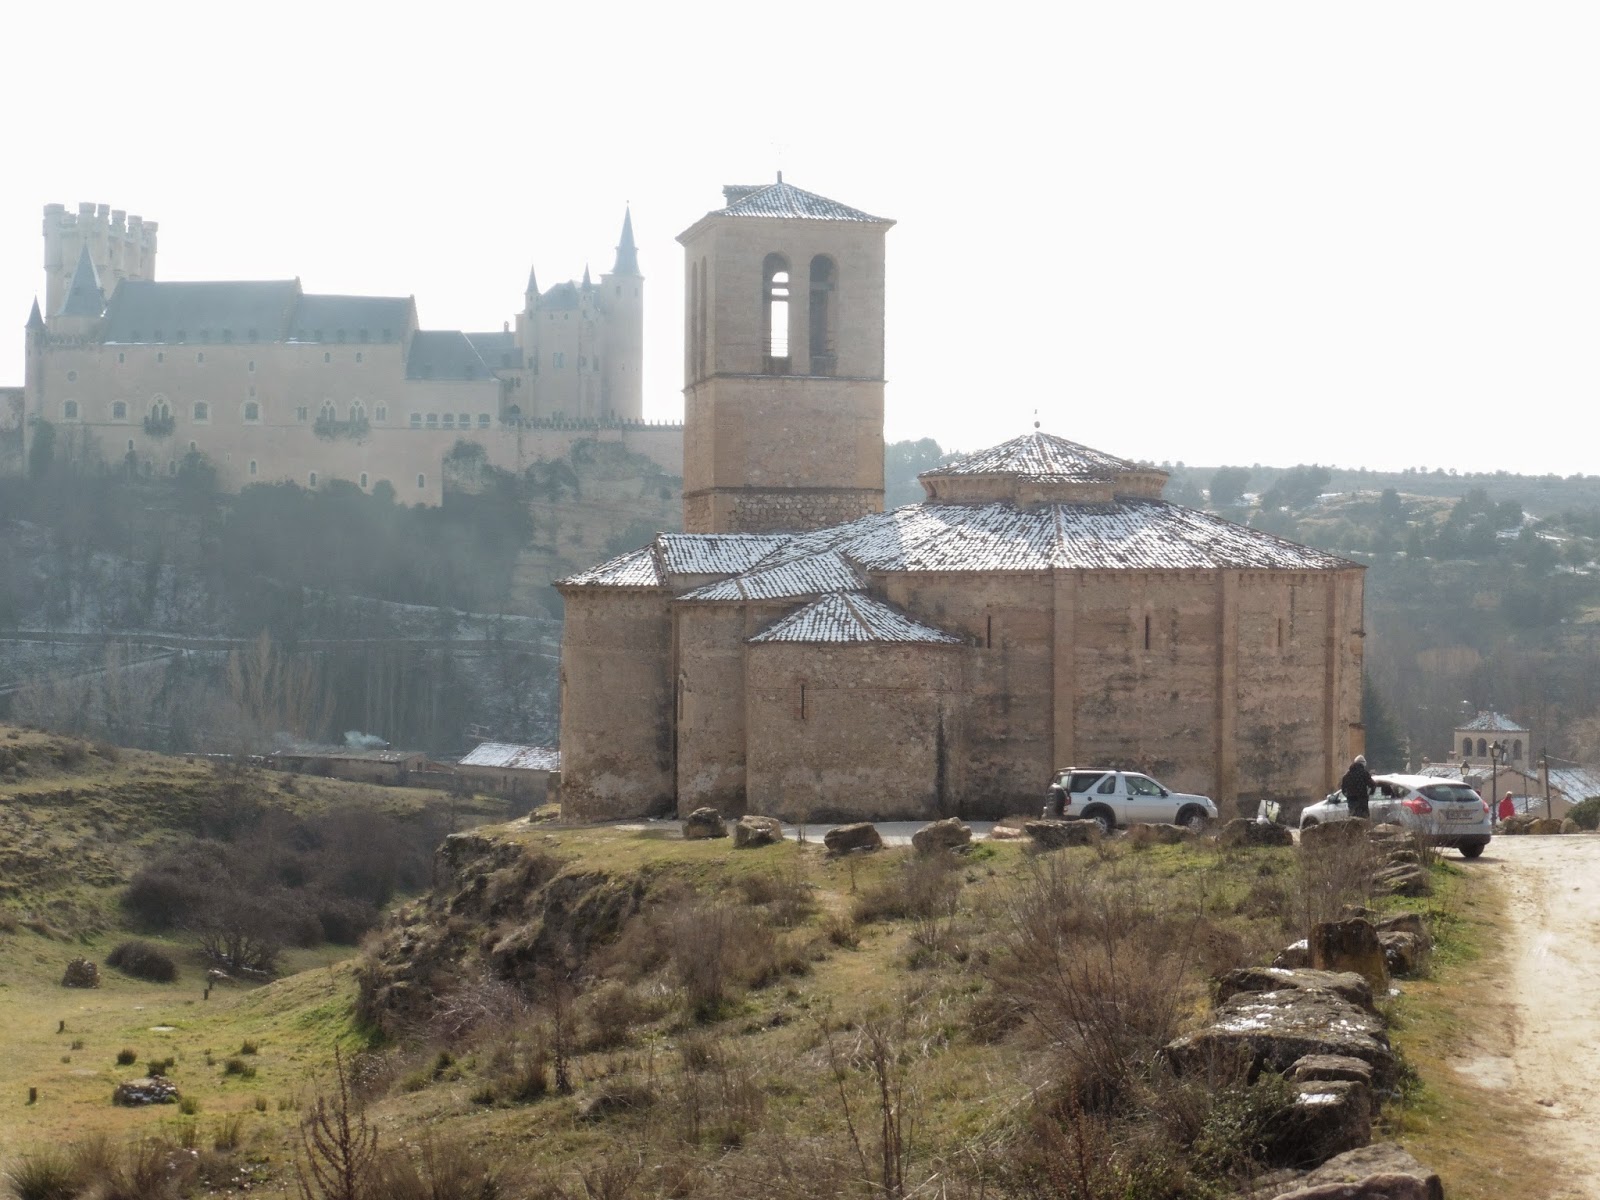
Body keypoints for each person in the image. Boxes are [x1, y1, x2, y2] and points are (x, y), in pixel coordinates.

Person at [1340, 754, 1376, 820]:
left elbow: (1343, 789)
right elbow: (1373, 785)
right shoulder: (1364, 773)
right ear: (1363, 764)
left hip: (1351, 800)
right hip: (1362, 800)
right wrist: (1370, 793)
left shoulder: (1347, 775)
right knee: (1364, 819)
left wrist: (1348, 796)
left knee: (1353, 818)